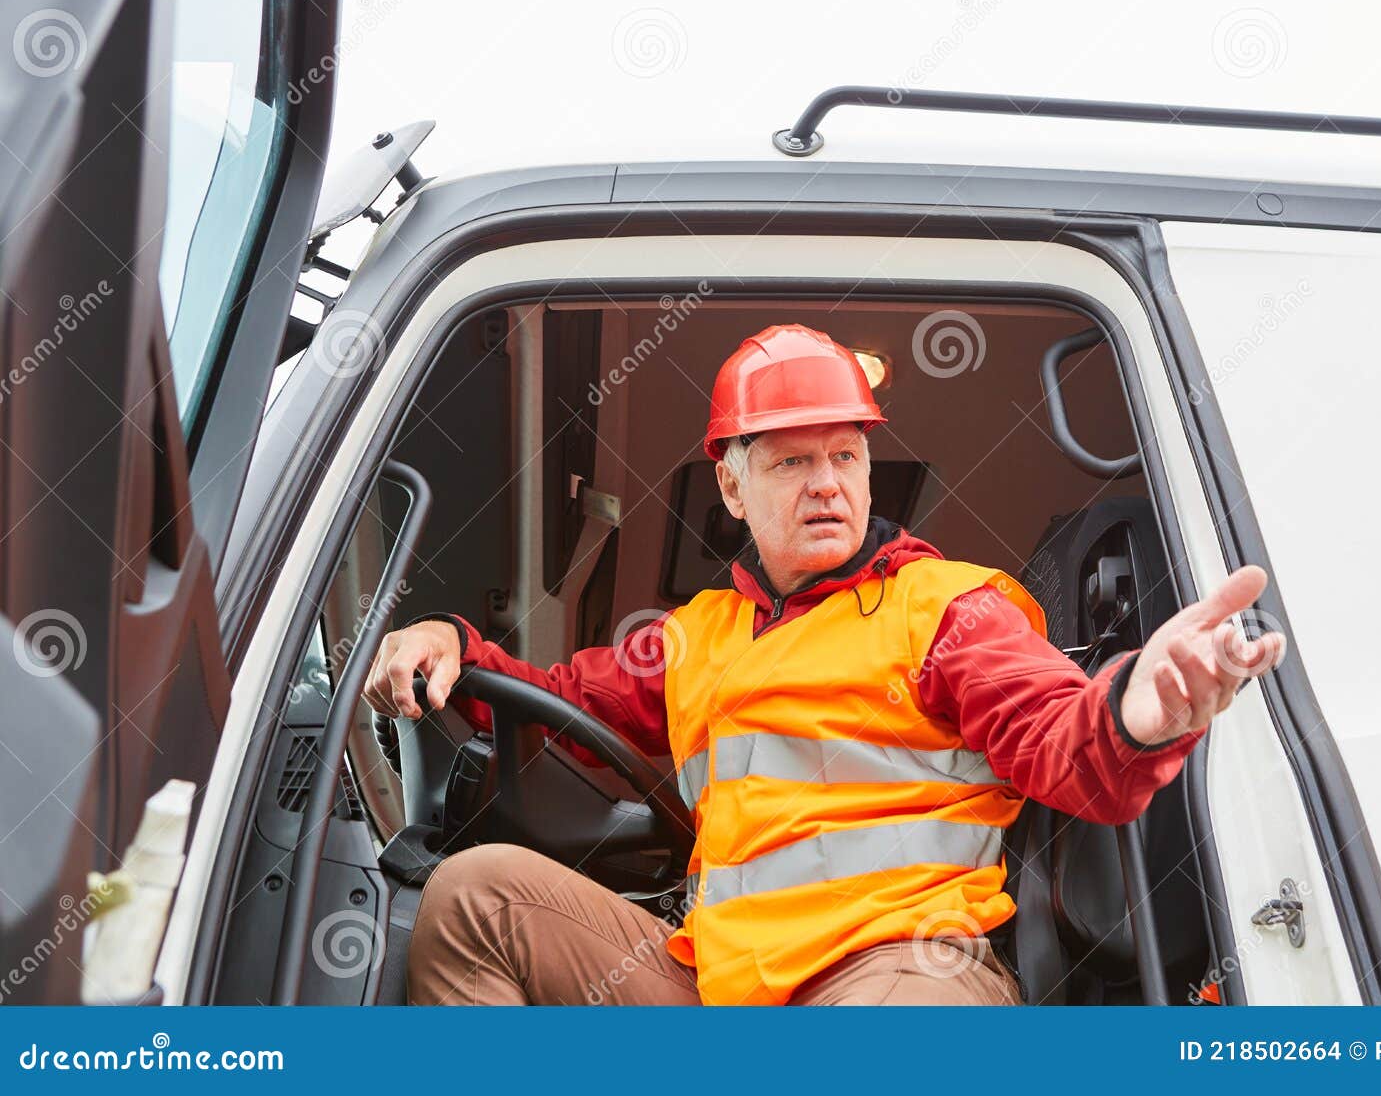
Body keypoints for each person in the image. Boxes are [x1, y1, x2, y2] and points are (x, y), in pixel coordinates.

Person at [365, 322, 1284, 1006]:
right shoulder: (694, 635)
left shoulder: (951, 608)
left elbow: (1062, 740)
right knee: (472, 894)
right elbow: (551, 700)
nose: (828, 483)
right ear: (732, 483)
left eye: (847, 454)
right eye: (795, 461)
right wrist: (449, 638)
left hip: (899, 968)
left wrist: (1138, 711)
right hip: (721, 983)